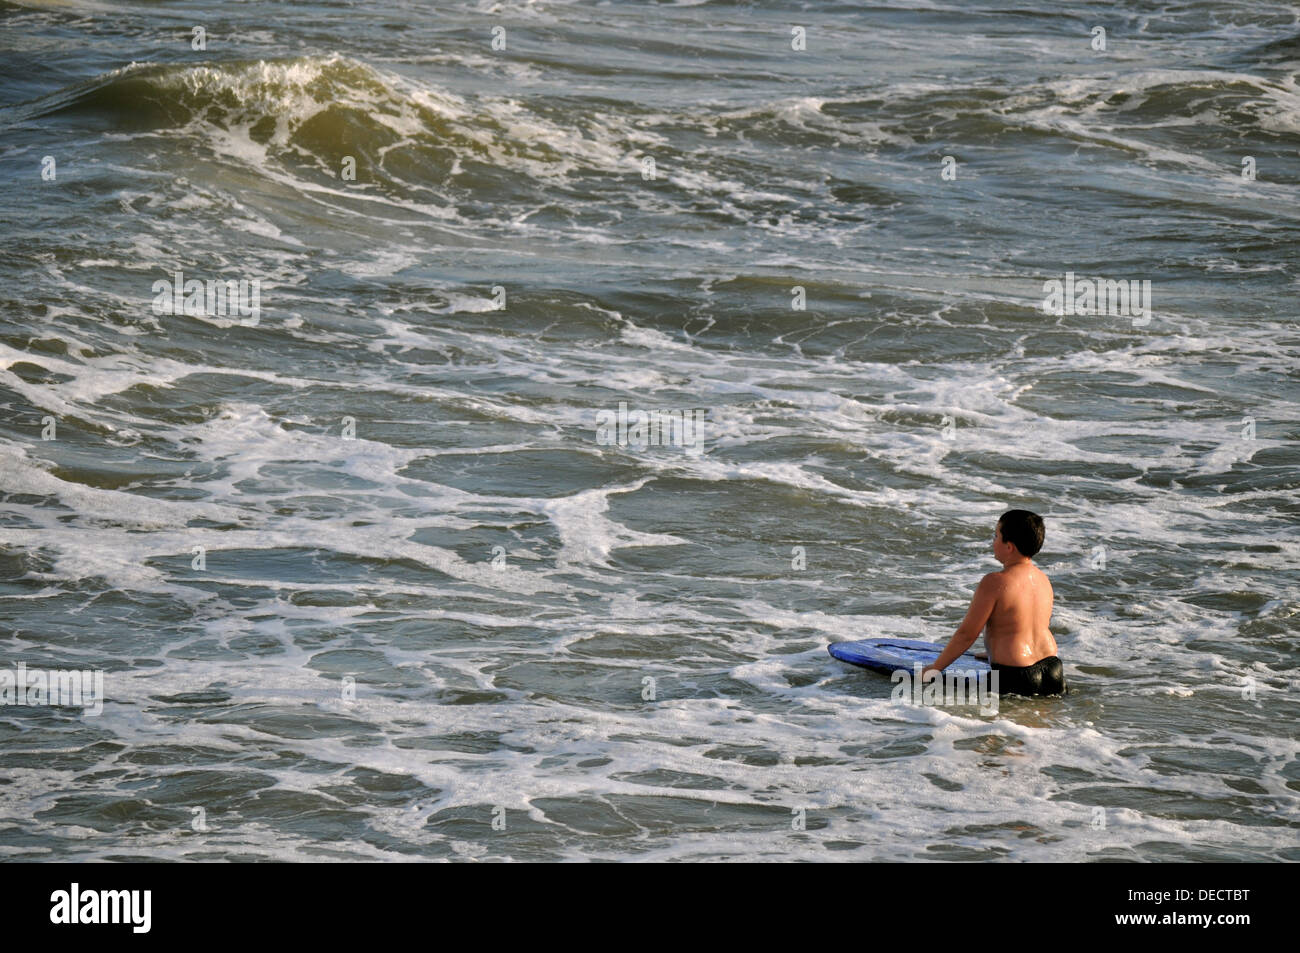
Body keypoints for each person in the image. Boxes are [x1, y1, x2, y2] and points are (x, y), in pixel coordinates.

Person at [921, 510, 1066, 696]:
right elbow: (1025, 626)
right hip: (1053, 668)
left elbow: (967, 634)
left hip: (1016, 675)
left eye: (996, 536)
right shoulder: (1042, 579)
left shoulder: (995, 582)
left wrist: (935, 668)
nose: (993, 541)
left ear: (1009, 547)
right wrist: (993, 652)